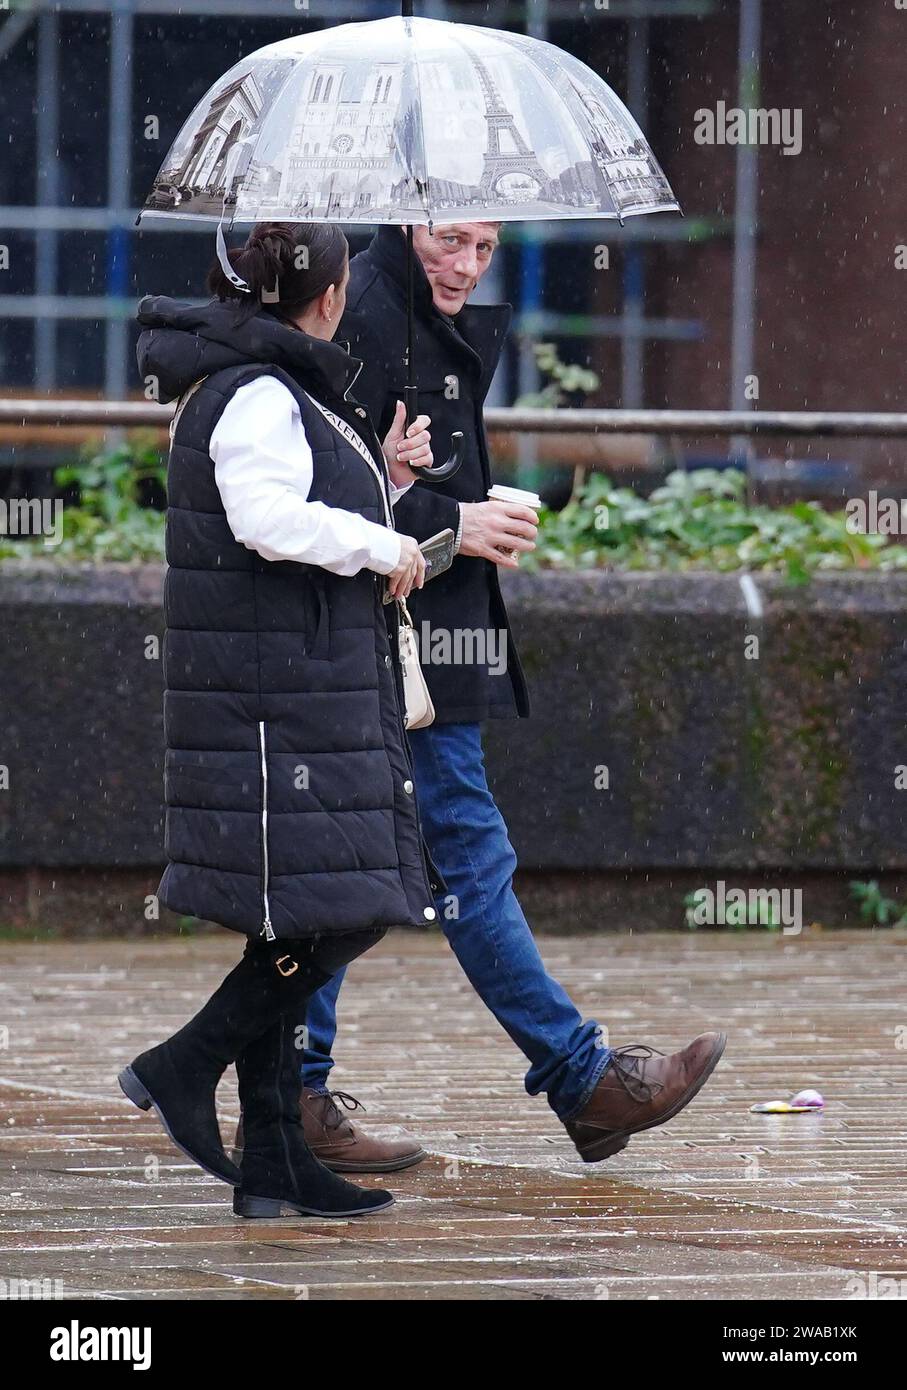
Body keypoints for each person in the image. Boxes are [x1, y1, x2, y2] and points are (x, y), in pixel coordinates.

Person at [284, 222, 726, 1169]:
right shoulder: (362, 309)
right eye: (450, 240)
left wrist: (450, 510)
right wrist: (459, 520)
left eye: (485, 247)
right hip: (394, 641)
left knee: (352, 869)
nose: (467, 264)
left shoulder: (401, 308)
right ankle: (581, 1080)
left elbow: (376, 475)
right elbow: (313, 492)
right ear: (411, 221)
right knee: (456, 861)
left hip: (417, 638)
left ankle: (290, 1090)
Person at [120, 221, 441, 1218]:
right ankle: (185, 1062)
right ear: (332, 293)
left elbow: (296, 503)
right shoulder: (257, 390)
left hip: (297, 694)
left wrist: (380, 478)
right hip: (273, 706)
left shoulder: (278, 381)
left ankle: (271, 1162)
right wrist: (376, 540)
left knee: (301, 913)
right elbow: (264, 516)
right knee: (345, 909)